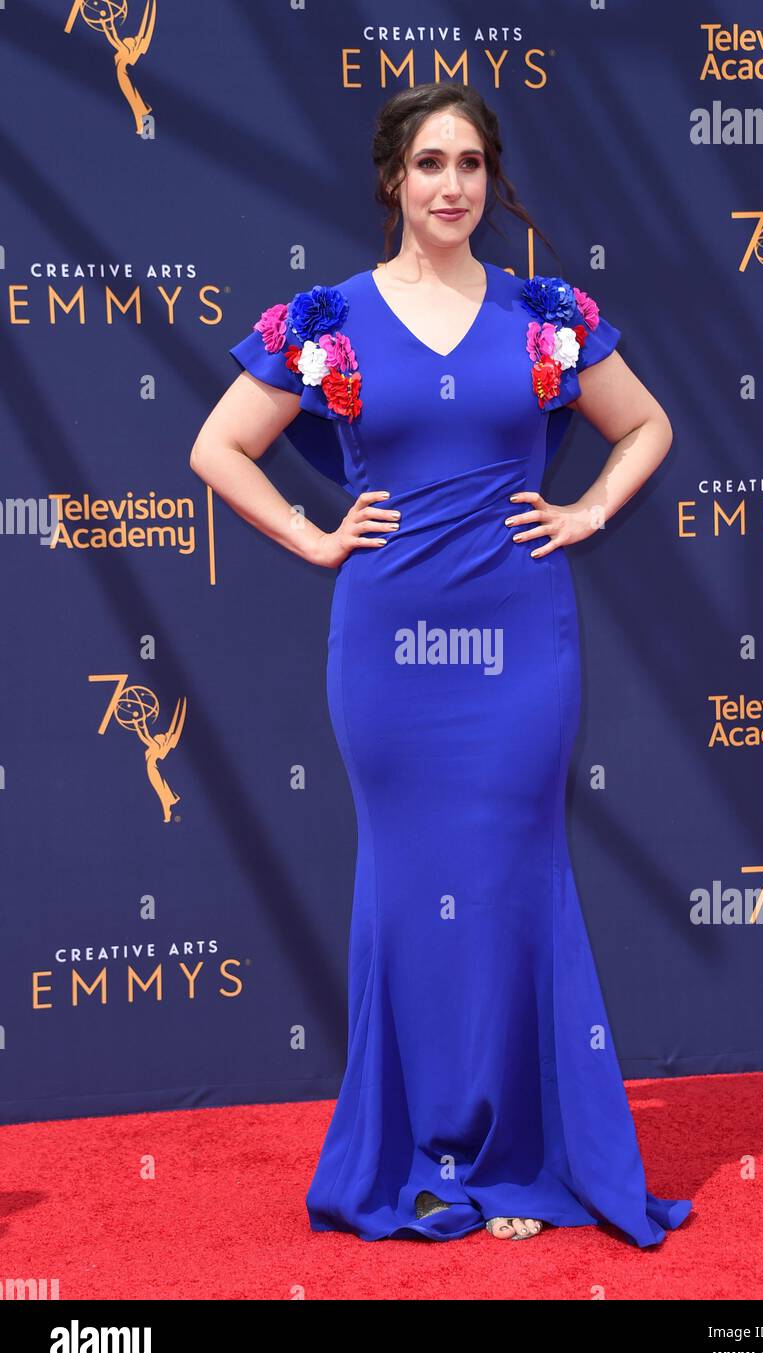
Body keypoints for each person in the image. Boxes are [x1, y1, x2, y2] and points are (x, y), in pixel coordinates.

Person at [190, 82, 692, 1246]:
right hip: (387, 645)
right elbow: (217, 444)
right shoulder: (326, 321)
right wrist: (315, 536)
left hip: (522, 639)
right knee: (407, 890)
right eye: (429, 164)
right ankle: (421, 1152)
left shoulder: (544, 316)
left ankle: (519, 1152)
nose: (452, 184)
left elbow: (648, 424)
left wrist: (587, 510)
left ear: (490, 178)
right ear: (392, 181)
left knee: (515, 877)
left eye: (470, 162)